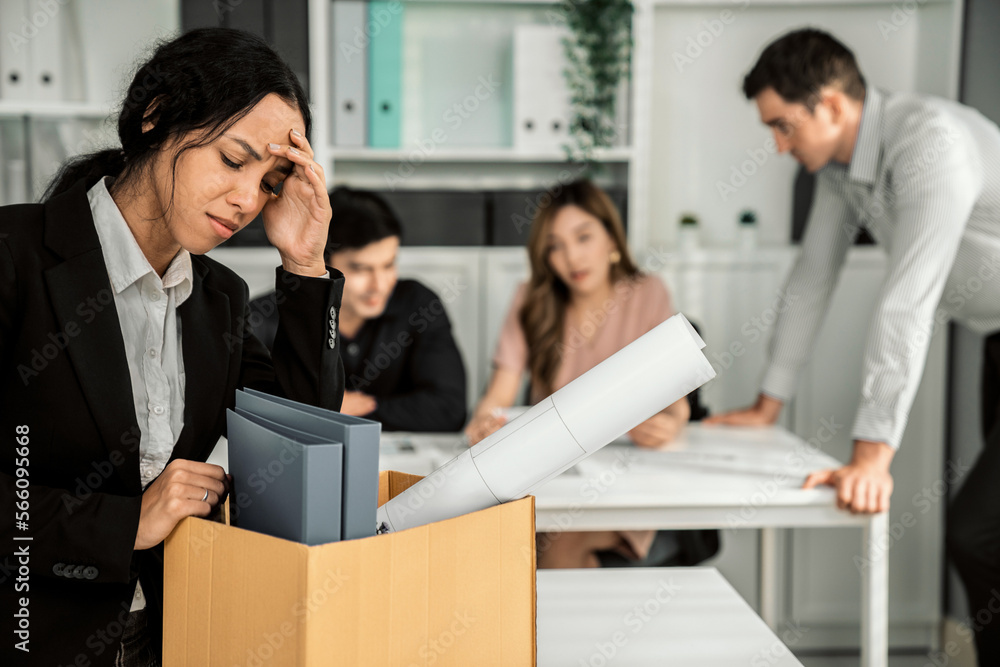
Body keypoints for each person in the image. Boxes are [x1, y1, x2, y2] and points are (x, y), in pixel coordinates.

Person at [0, 29, 345, 666]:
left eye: (271, 182)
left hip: (167, 639)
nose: (248, 200)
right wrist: (124, 524)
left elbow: (302, 447)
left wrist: (305, 266)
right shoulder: (14, 256)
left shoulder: (219, 298)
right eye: (234, 160)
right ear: (156, 117)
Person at [707, 28, 1000, 662]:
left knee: (978, 535)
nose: (779, 145)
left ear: (833, 106)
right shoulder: (843, 172)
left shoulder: (931, 146)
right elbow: (811, 279)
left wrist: (871, 457)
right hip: (995, 341)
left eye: (783, 126)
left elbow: (907, 301)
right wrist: (767, 404)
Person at [465, 179, 693, 569]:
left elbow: (679, 406)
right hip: (555, 475)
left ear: (612, 240)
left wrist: (668, 425)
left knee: (556, 552)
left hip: (627, 476)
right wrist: (485, 424)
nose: (572, 257)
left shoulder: (648, 294)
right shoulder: (531, 301)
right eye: (556, 245)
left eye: (583, 237)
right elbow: (498, 395)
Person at [249, 187, 467, 431]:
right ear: (324, 262)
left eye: (388, 265)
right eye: (361, 269)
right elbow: (248, 411)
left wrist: (356, 408)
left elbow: (450, 408)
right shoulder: (264, 318)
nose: (380, 285)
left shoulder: (418, 304)